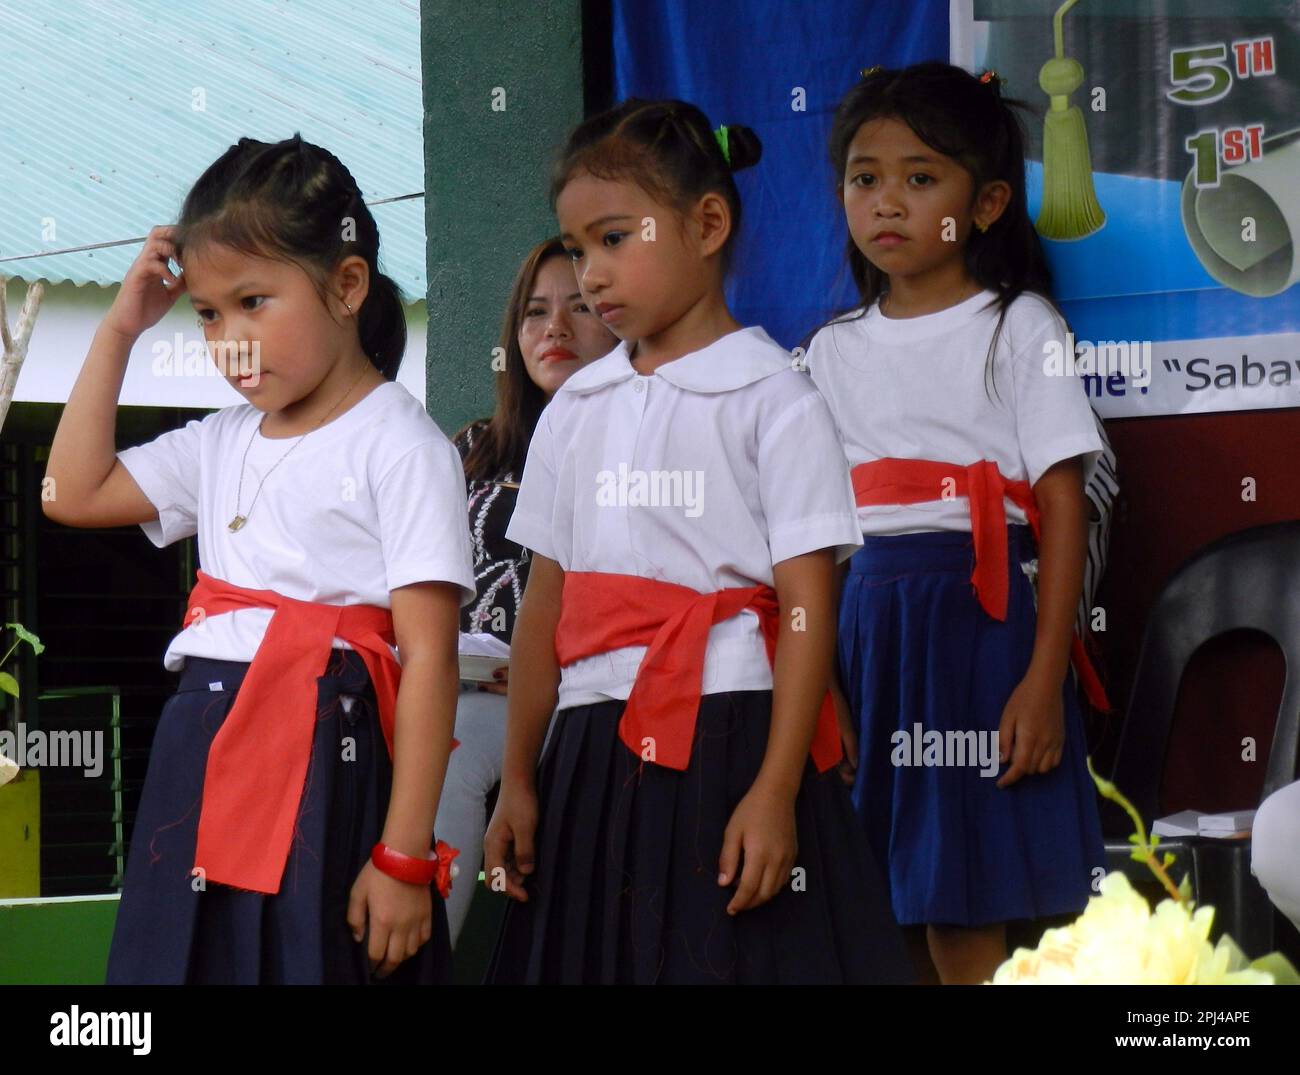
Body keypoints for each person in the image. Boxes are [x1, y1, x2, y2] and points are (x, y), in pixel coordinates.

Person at [482, 98, 911, 984]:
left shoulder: (776, 399)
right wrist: (520, 776)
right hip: (591, 750)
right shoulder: (574, 412)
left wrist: (776, 788)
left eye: (613, 238)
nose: (592, 273)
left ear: (708, 223)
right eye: (576, 246)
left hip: (732, 738)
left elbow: (805, 611)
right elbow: (543, 616)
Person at [43, 134, 475, 984]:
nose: (229, 340)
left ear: (347, 286)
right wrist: (122, 328)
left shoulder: (400, 443)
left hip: (327, 759)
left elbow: (431, 658)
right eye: (207, 314)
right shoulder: (217, 441)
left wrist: (403, 855)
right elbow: (69, 489)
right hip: (201, 751)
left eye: (253, 302)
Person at [805, 63, 1108, 984]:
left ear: (986, 205)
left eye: (920, 177)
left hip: (982, 627)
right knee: (883, 888)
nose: (887, 200)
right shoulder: (827, 351)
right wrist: (822, 689)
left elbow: (1062, 507)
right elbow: (809, 540)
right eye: (865, 178)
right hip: (869, 626)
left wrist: (1041, 680)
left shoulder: (1021, 327)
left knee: (962, 898)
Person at [438, 237, 616, 945]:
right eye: (536, 312)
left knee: (451, 754)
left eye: (580, 307)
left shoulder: (633, 452)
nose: (556, 329)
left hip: (572, 701)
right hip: (457, 681)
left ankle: (414, 956)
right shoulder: (473, 449)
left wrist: (543, 672)